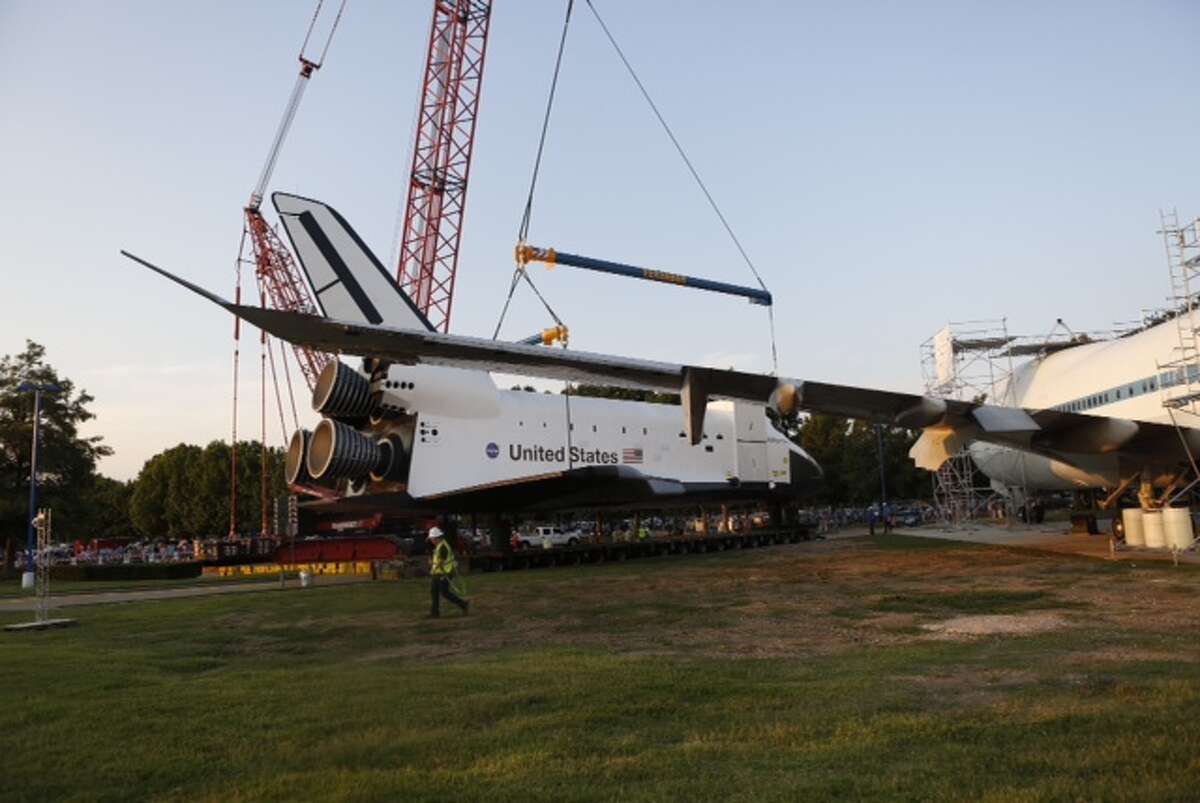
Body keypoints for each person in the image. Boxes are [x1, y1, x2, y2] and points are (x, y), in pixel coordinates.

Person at [427, 526, 469, 618]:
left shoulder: (443, 547)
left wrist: (432, 565)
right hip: (437, 573)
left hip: (444, 573)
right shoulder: (439, 546)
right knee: (434, 592)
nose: (431, 541)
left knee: (444, 592)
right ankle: (435, 613)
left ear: (436, 538)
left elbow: (441, 562)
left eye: (432, 539)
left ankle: (463, 604)